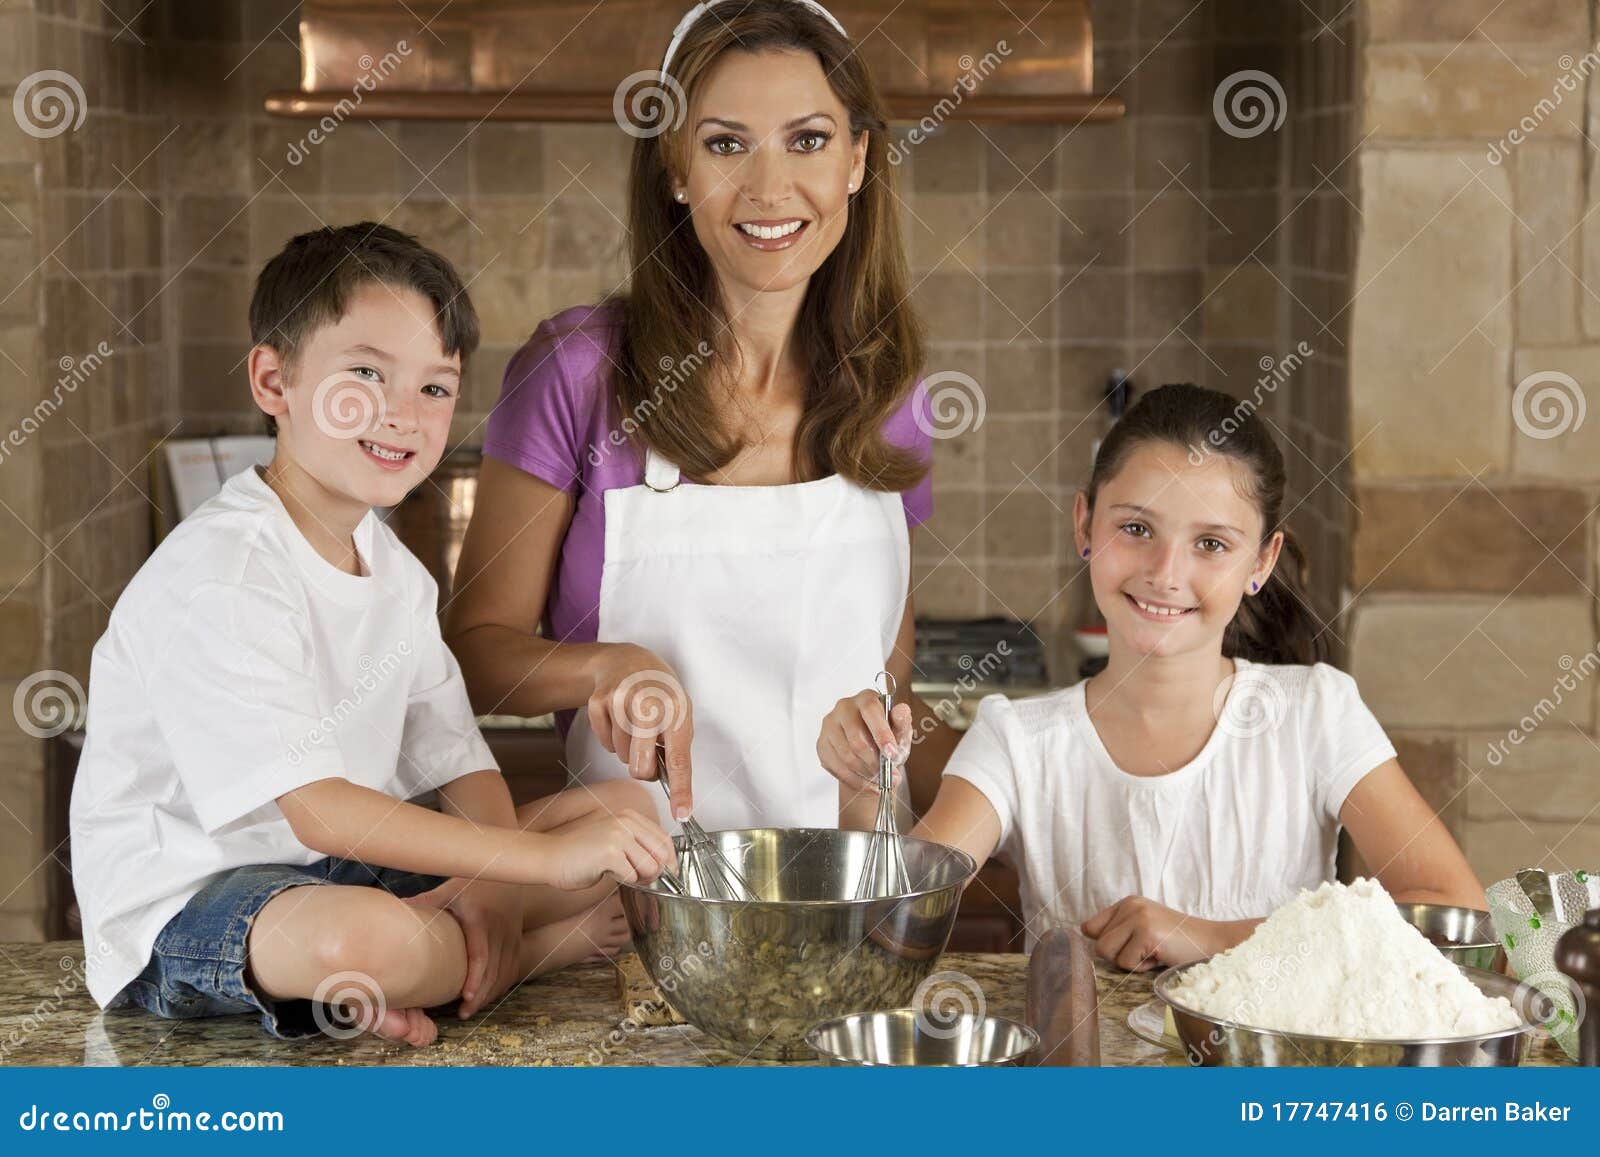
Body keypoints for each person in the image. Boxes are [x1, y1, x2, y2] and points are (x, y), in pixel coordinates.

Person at [69, 223, 674, 1046]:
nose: (402, 415)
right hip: (194, 904)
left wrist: (490, 884)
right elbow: (318, 811)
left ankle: (444, 961)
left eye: (435, 388)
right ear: (273, 381)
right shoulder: (225, 569)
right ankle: (520, 956)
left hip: (345, 873)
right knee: (367, 939)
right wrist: (530, 869)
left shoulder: (395, 571)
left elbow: (462, 762)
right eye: (365, 375)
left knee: (626, 812)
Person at [446, 0, 961, 833]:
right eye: (726, 143)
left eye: (809, 140)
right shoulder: (580, 370)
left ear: (859, 160)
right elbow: (473, 655)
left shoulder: (892, 388)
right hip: (634, 902)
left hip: (842, 897)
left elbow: (885, 666)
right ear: (675, 167)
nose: (769, 188)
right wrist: (610, 668)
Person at [843, 383, 1486, 969]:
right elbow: (891, 926)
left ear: (1262, 561)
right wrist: (864, 788)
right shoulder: (1016, 743)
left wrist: (1211, 937)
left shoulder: (1316, 714)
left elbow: (1462, 922)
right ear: (1084, 527)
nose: (1166, 572)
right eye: (1136, 528)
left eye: (1211, 544)